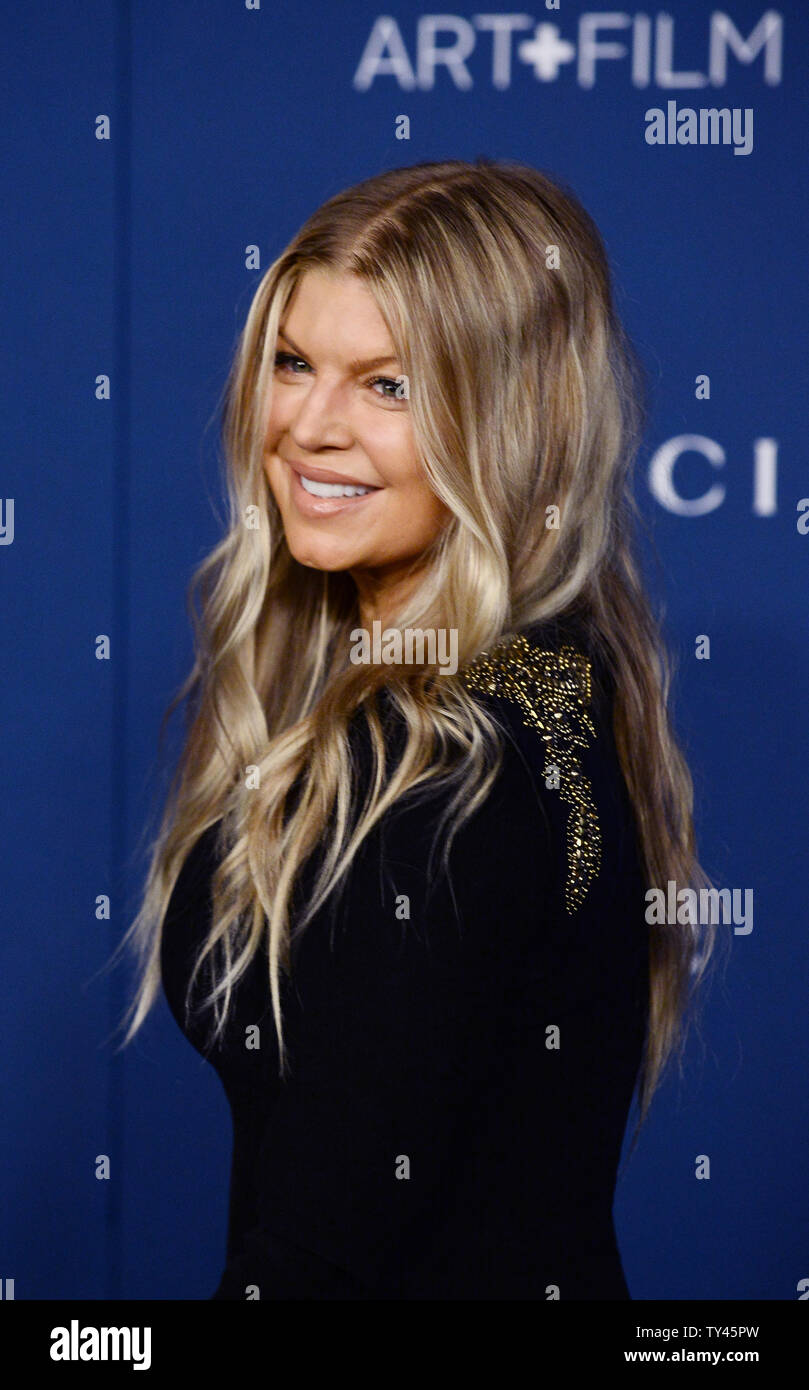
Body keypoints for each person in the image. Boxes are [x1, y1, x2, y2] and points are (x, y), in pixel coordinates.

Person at [116, 158, 716, 1299]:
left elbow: (322, 1250)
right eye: (293, 364)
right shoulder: (556, 677)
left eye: (387, 386)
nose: (308, 426)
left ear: (509, 417)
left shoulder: (436, 757)